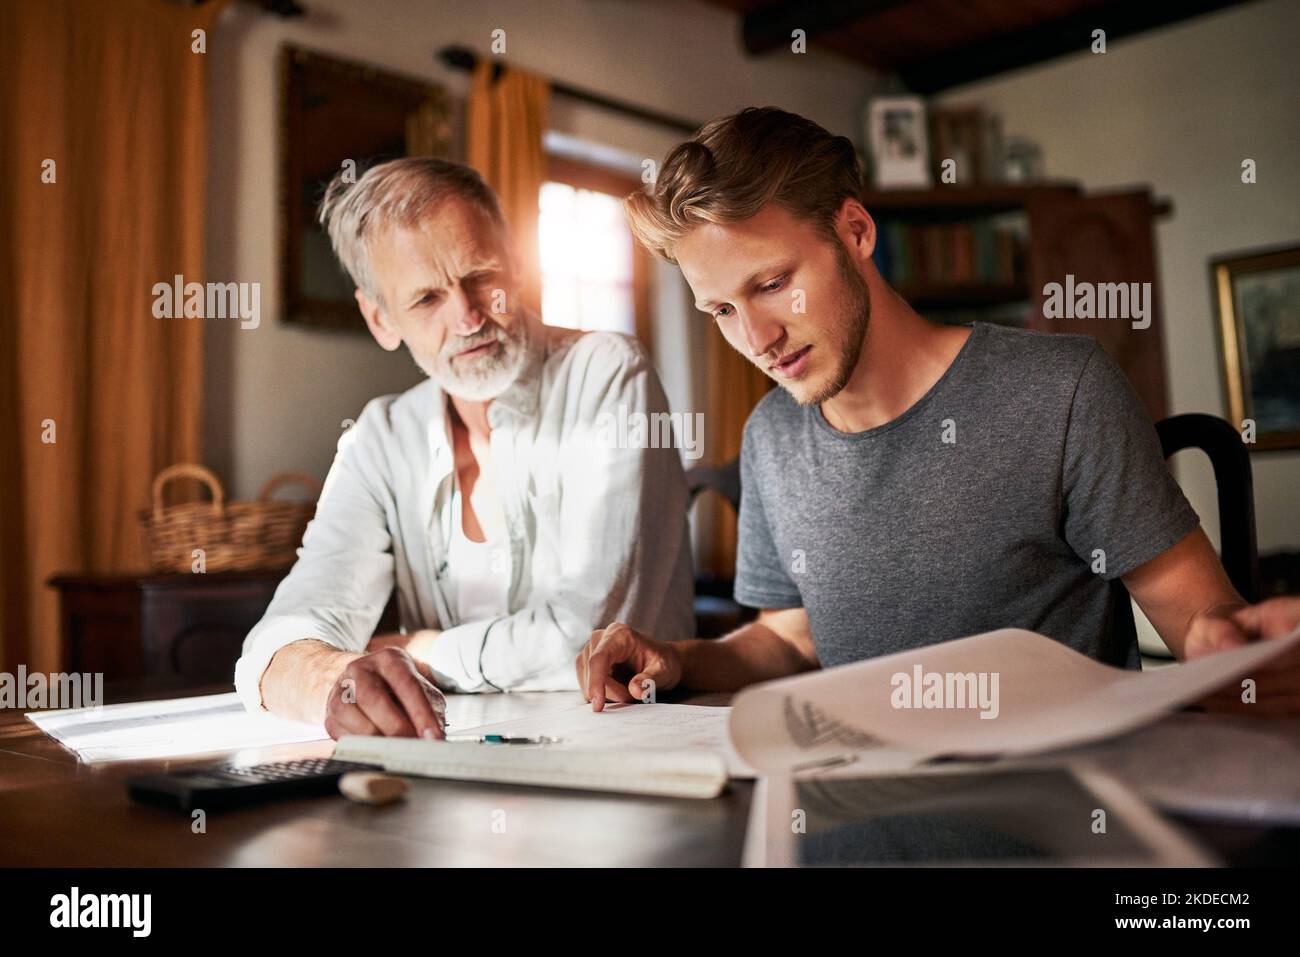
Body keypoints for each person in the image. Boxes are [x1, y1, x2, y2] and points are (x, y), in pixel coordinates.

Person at [577, 106, 1300, 716]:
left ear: (855, 232)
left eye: (772, 284)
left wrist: (1226, 641)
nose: (756, 338)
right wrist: (675, 658)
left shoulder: (1061, 391)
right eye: (722, 309)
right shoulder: (770, 438)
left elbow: (1197, 616)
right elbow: (792, 640)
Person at [234, 158, 694, 740]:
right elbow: (272, 648)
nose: (469, 316)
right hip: (460, 759)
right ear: (380, 319)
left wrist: (417, 651)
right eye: (426, 299)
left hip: (635, 744)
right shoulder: (381, 437)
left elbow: (587, 641)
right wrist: (335, 676)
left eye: (481, 276)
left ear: (520, 266)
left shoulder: (606, 372)